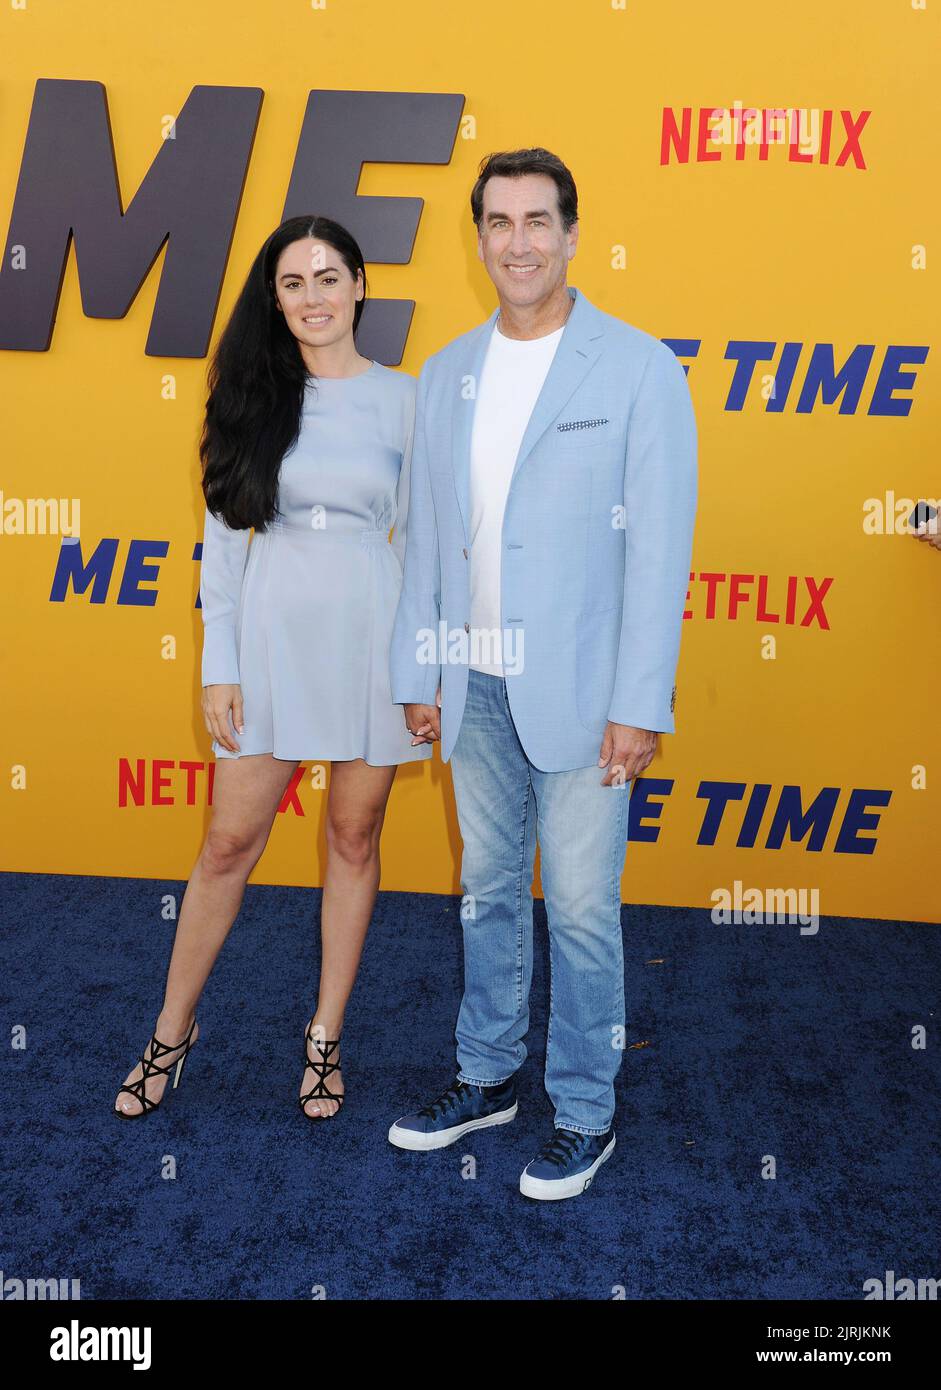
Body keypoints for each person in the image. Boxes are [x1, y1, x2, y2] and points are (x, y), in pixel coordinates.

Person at [387, 149, 698, 1200]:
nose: (516, 241)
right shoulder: (444, 373)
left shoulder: (638, 367)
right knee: (482, 891)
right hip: (470, 685)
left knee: (576, 908)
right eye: (497, 222)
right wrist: (420, 668)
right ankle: (485, 1075)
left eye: (536, 221)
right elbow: (426, 541)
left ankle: (582, 1108)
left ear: (571, 234)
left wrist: (637, 702)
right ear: (477, 239)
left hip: (581, 691)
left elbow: (658, 554)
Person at [114, 215, 429, 1122]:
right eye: (293, 284)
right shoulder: (249, 396)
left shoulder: (407, 399)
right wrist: (220, 666)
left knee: (353, 838)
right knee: (226, 845)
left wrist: (424, 671)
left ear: (361, 285)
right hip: (270, 641)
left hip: (374, 639)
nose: (313, 298)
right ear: (274, 299)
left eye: (329, 278)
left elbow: (432, 547)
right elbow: (221, 549)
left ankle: (325, 1034)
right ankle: (172, 1028)